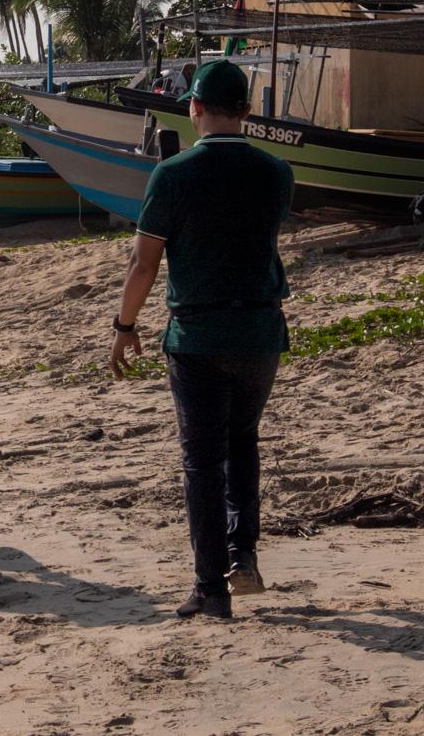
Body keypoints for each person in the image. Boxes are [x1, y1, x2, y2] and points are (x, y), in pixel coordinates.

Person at [109, 58, 293, 620]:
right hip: (260, 330)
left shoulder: (174, 174)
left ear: (193, 109)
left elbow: (144, 264)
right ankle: (246, 558)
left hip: (197, 333)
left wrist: (124, 326)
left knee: (202, 462)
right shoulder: (277, 172)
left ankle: (210, 589)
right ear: (247, 111)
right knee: (243, 444)